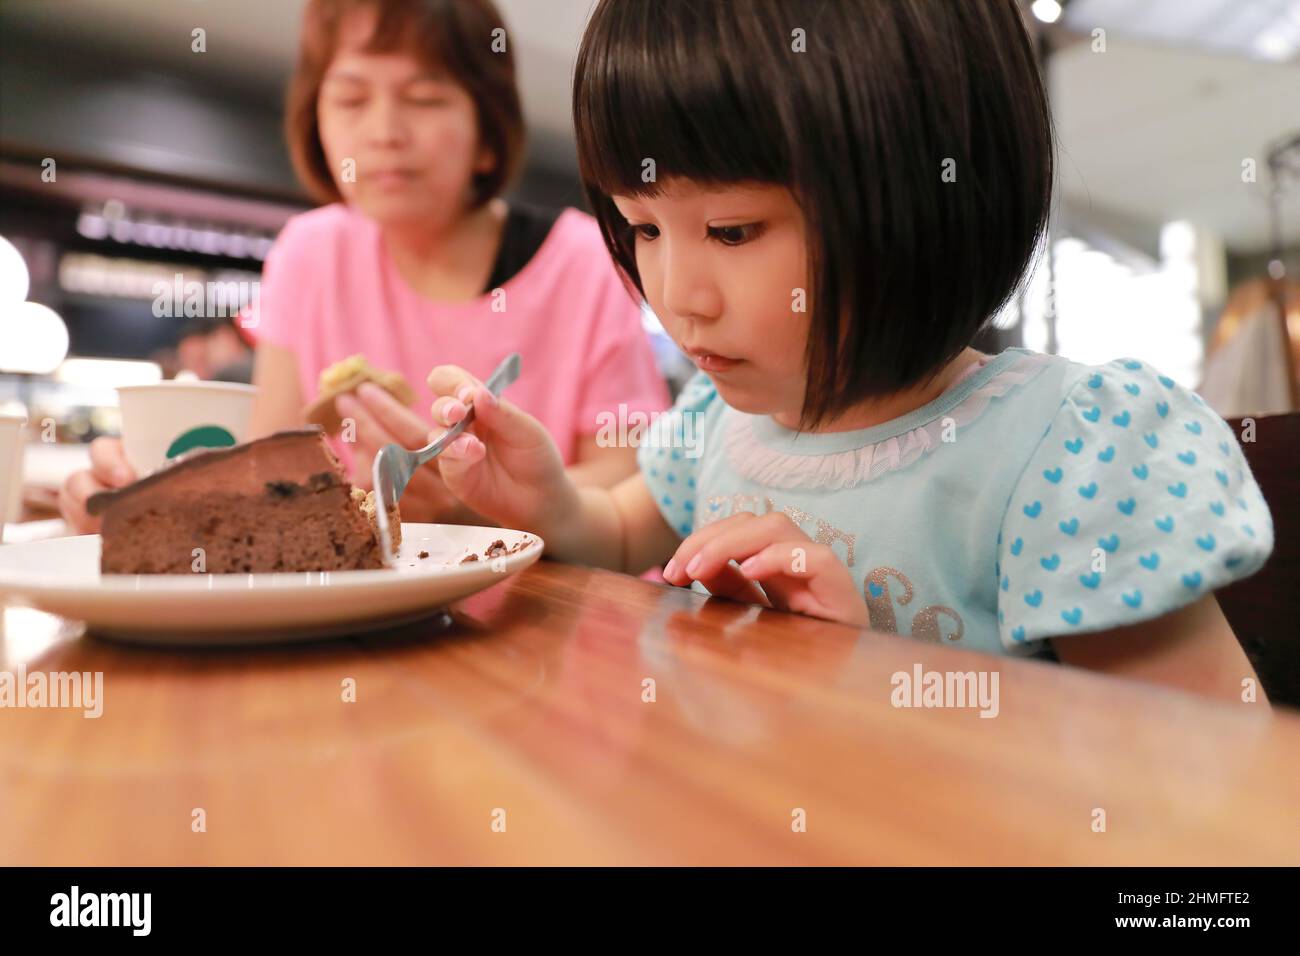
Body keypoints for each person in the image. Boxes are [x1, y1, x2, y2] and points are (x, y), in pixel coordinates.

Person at [419, 0, 1272, 703]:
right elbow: (614, 533)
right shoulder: (716, 421)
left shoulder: (1067, 452)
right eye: (643, 227)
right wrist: (549, 502)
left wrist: (876, 689)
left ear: (916, 198)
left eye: (731, 229)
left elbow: (1203, 778)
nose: (677, 294)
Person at [59, 0, 668, 533]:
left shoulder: (585, 261)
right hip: (358, 620)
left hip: (552, 619)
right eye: (351, 97)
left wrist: (474, 507)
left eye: (424, 98)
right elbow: (271, 465)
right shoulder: (309, 252)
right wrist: (148, 504)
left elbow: (631, 483)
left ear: (487, 133)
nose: (383, 131)